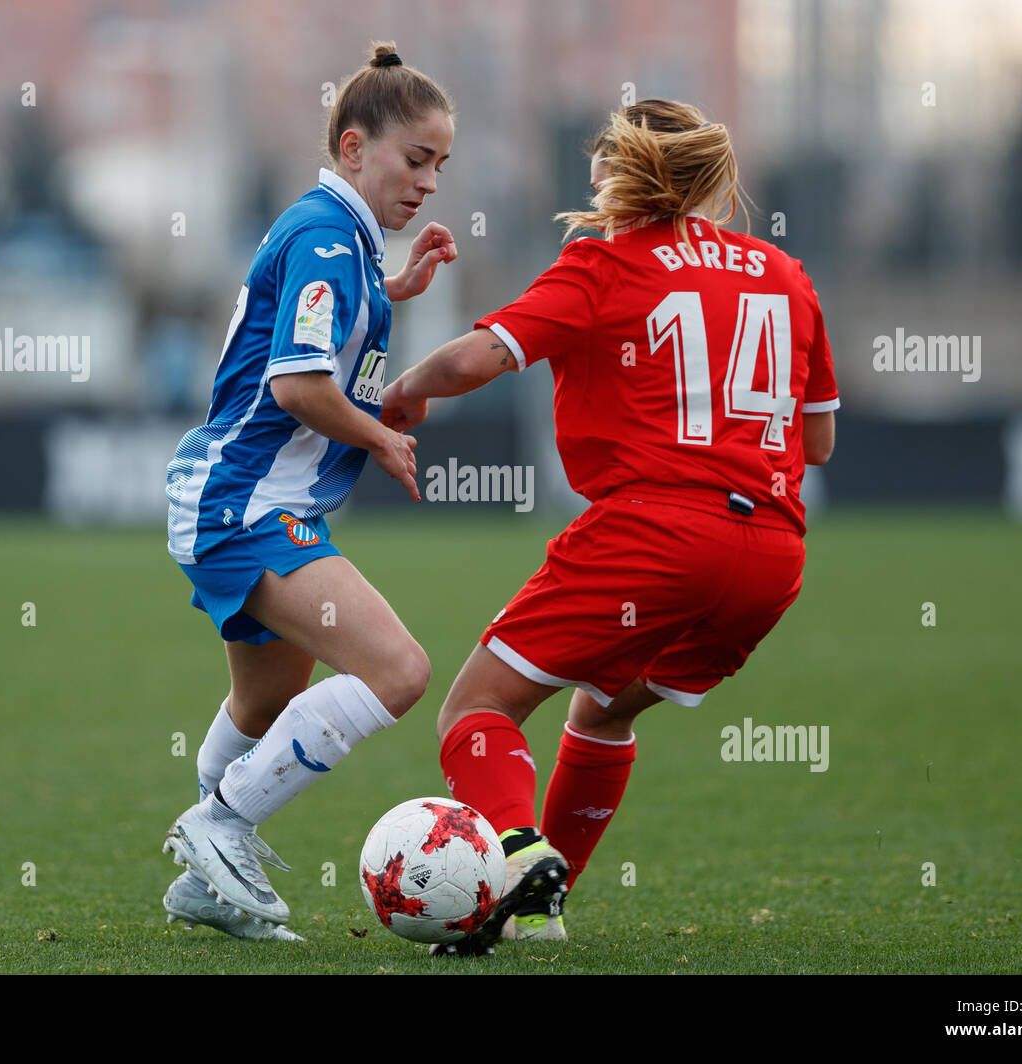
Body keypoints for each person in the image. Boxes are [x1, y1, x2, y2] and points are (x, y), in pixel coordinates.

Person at [380, 99, 840, 954]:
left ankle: (516, 851)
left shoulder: (604, 263)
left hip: (655, 534)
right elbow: (817, 441)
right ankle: (539, 912)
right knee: (601, 714)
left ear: (624, 174)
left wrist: (402, 392)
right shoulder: (787, 274)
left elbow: (474, 358)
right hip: (771, 556)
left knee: (476, 710)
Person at [161, 42, 457, 941]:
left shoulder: (343, 241)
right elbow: (297, 387)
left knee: (264, 705)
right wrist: (382, 438)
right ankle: (220, 827)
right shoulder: (329, 238)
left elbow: (314, 347)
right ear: (355, 146)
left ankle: (205, 879)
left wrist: (394, 287)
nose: (430, 183)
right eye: (417, 159)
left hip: (234, 499)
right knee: (401, 671)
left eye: (442, 165)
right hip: (248, 507)